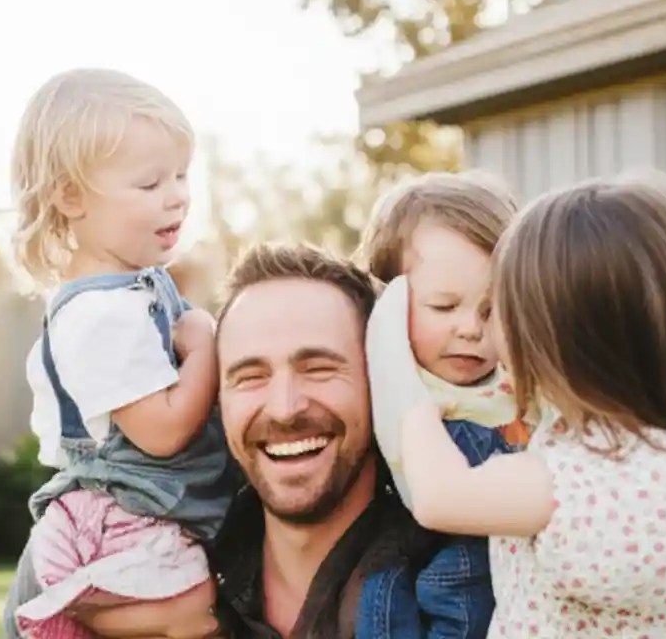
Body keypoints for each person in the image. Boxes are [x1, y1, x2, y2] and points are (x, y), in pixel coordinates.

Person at [45, 243, 491, 638]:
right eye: (251, 376)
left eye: (318, 368)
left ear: (382, 382)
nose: (284, 407)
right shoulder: (144, 576)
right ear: (217, 399)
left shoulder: (468, 583)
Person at [394, 172, 666, 636]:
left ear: (548, 335)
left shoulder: (573, 476)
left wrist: (409, 393)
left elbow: (438, 496)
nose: (484, 328)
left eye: (497, 307)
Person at [5, 68, 237, 639]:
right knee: (199, 611)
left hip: (148, 506)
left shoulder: (138, 289)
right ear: (72, 196)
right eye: (150, 183)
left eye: (181, 176)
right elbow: (161, 432)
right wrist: (204, 345)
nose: (177, 195)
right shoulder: (99, 315)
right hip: (123, 515)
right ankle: (55, 615)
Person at [354, 172, 540, 637]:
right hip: (425, 560)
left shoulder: (520, 384)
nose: (471, 329)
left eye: (491, 309)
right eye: (443, 306)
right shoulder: (392, 378)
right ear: (389, 306)